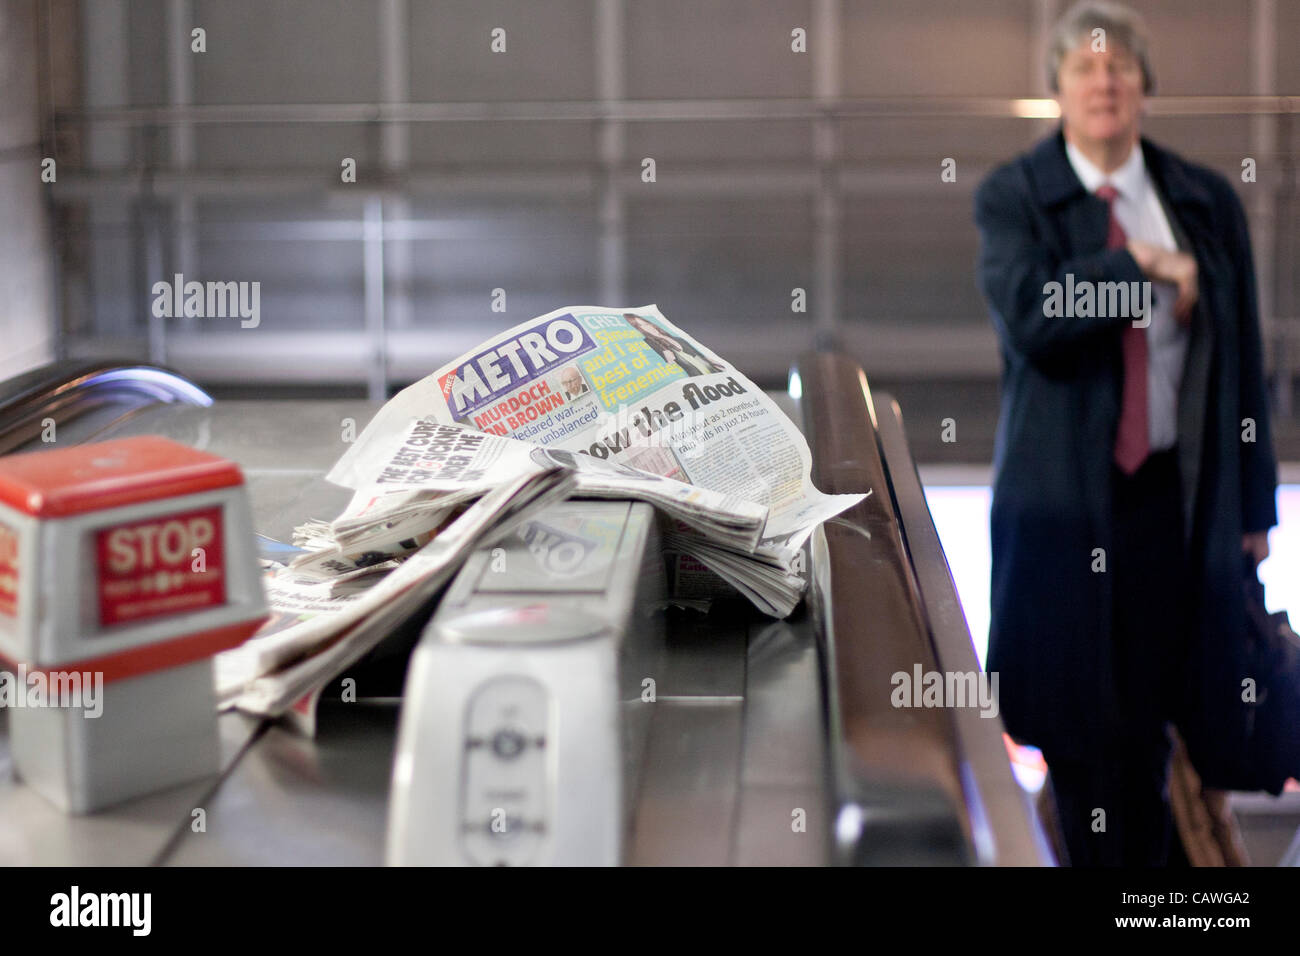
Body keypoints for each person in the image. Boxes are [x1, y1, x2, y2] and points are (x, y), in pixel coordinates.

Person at [974, 0, 1278, 866]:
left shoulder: (1202, 200)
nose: (1103, 82)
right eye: (1083, 67)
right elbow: (1037, 317)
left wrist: (1254, 509)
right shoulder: (1016, 195)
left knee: (1158, 732)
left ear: (1145, 86)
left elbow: (1244, 359)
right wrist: (1136, 266)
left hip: (1170, 505)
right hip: (1064, 513)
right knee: (1079, 740)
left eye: (1119, 67)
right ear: (1056, 91)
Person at [622, 313, 724, 377]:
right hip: (695, 374)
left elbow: (699, 354)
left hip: (709, 368)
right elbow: (668, 364)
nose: (648, 327)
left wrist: (711, 360)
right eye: (641, 326)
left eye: (647, 323)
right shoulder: (649, 342)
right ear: (639, 329)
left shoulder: (677, 338)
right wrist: (668, 358)